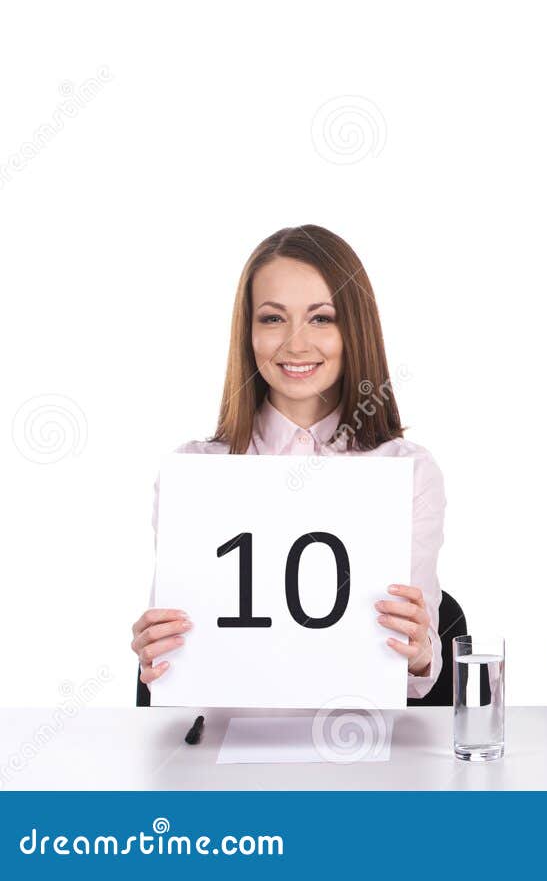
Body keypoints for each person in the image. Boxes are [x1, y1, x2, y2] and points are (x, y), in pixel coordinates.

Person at [129, 225, 447, 699]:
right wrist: (154, 649)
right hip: (220, 750)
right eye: (273, 319)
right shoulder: (194, 473)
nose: (296, 344)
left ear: (354, 329)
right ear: (249, 332)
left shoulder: (408, 471)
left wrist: (421, 652)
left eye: (321, 318)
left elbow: (417, 677)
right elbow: (179, 656)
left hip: (360, 745)